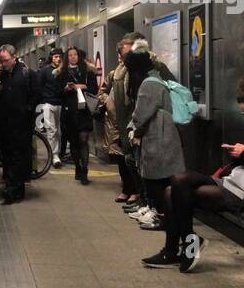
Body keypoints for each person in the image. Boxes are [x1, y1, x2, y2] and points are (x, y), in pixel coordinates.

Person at [143, 79, 244, 272]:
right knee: (177, 181)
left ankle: (175, 249)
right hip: (232, 180)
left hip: (240, 191)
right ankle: (187, 241)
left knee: (173, 192)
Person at [127, 39, 185, 231]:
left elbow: (141, 114)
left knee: (157, 181)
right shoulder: (156, 77)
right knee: (161, 180)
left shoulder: (148, 83)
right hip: (163, 134)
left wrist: (133, 130)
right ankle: (165, 217)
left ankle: (164, 218)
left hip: (158, 136)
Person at [0, 44, 36, 204]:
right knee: (8, 156)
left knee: (19, 156)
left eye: (6, 60)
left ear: (14, 57)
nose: (3, 63)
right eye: (1, 61)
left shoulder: (27, 74)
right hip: (5, 124)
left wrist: (27, 110)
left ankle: (12, 189)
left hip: (22, 124)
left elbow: (36, 95)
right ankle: (16, 188)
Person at [100, 41, 140, 203]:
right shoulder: (115, 73)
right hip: (116, 122)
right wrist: (107, 102)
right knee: (121, 159)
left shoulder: (138, 72)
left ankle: (137, 192)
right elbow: (102, 90)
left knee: (133, 159)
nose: (120, 58)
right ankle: (127, 189)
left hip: (131, 120)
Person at [56, 47, 98, 185]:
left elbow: (94, 89)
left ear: (79, 56)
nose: (73, 57)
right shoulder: (61, 73)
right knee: (74, 141)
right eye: (70, 55)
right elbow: (57, 93)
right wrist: (66, 88)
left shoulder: (88, 71)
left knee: (83, 139)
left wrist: (80, 86)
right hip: (69, 110)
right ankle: (78, 168)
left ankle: (85, 170)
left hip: (84, 109)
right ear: (66, 58)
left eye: (75, 55)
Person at [35, 48, 64, 168]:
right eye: (55, 56)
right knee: (51, 130)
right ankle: (54, 155)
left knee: (60, 131)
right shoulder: (45, 71)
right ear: (51, 57)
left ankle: (59, 152)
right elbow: (39, 86)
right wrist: (44, 98)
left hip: (61, 103)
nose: (58, 59)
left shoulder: (63, 70)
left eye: (59, 56)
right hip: (48, 104)